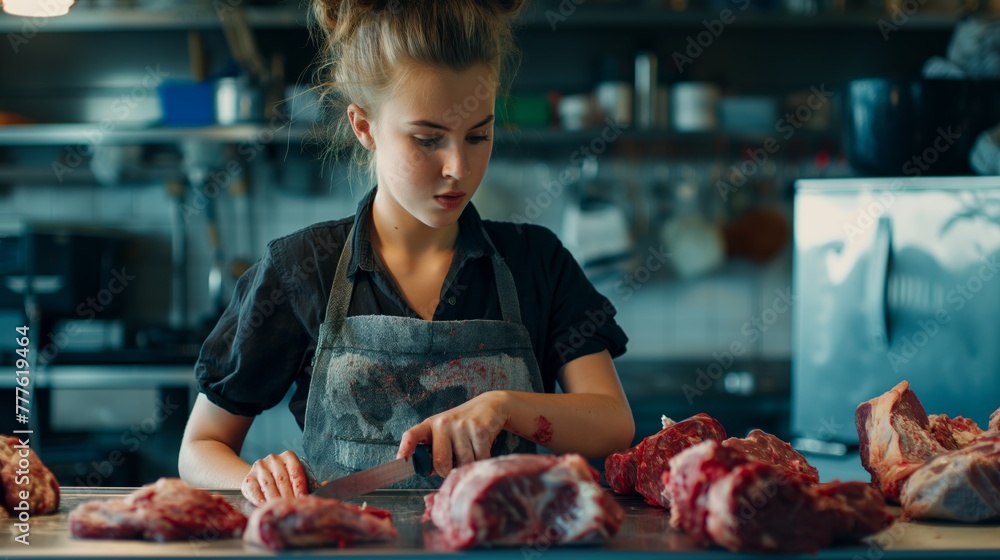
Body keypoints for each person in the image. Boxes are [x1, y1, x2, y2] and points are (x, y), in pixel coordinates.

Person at [178, 0, 634, 506]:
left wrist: (504, 406)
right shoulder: (303, 269)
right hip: (345, 540)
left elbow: (612, 423)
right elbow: (200, 447)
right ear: (364, 126)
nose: (458, 167)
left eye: (478, 135)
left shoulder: (536, 262)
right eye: (427, 139)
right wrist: (254, 480)